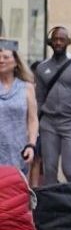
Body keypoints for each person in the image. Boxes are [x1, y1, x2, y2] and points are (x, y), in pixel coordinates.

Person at [34, 26, 71, 184]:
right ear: (50, 42)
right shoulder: (42, 67)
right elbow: (38, 99)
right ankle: (54, 207)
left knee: (69, 171)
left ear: (69, 42)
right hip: (48, 124)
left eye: (62, 39)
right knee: (49, 171)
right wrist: (35, 126)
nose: (58, 42)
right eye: (55, 39)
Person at [0, 44, 38, 173]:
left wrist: (31, 145)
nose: (1, 60)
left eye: (6, 57)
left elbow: (33, 120)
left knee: (16, 189)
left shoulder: (27, 87)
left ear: (16, 61)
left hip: (18, 150)